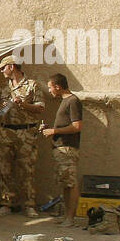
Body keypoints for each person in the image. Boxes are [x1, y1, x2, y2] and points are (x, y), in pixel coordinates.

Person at [0, 55, 44, 217]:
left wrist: (24, 105)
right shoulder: (3, 89)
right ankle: (7, 202)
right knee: (4, 169)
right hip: (5, 132)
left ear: (12, 67)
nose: (2, 71)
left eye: (3, 68)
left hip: (26, 133)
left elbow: (41, 108)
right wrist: (2, 107)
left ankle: (29, 204)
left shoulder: (32, 85)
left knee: (26, 170)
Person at [42, 72, 83, 227]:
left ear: (58, 87)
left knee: (71, 183)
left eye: (50, 87)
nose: (50, 91)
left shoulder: (72, 101)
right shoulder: (65, 101)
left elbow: (77, 126)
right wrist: (51, 129)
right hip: (61, 148)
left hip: (67, 149)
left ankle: (70, 219)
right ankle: (67, 216)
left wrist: (55, 131)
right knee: (66, 183)